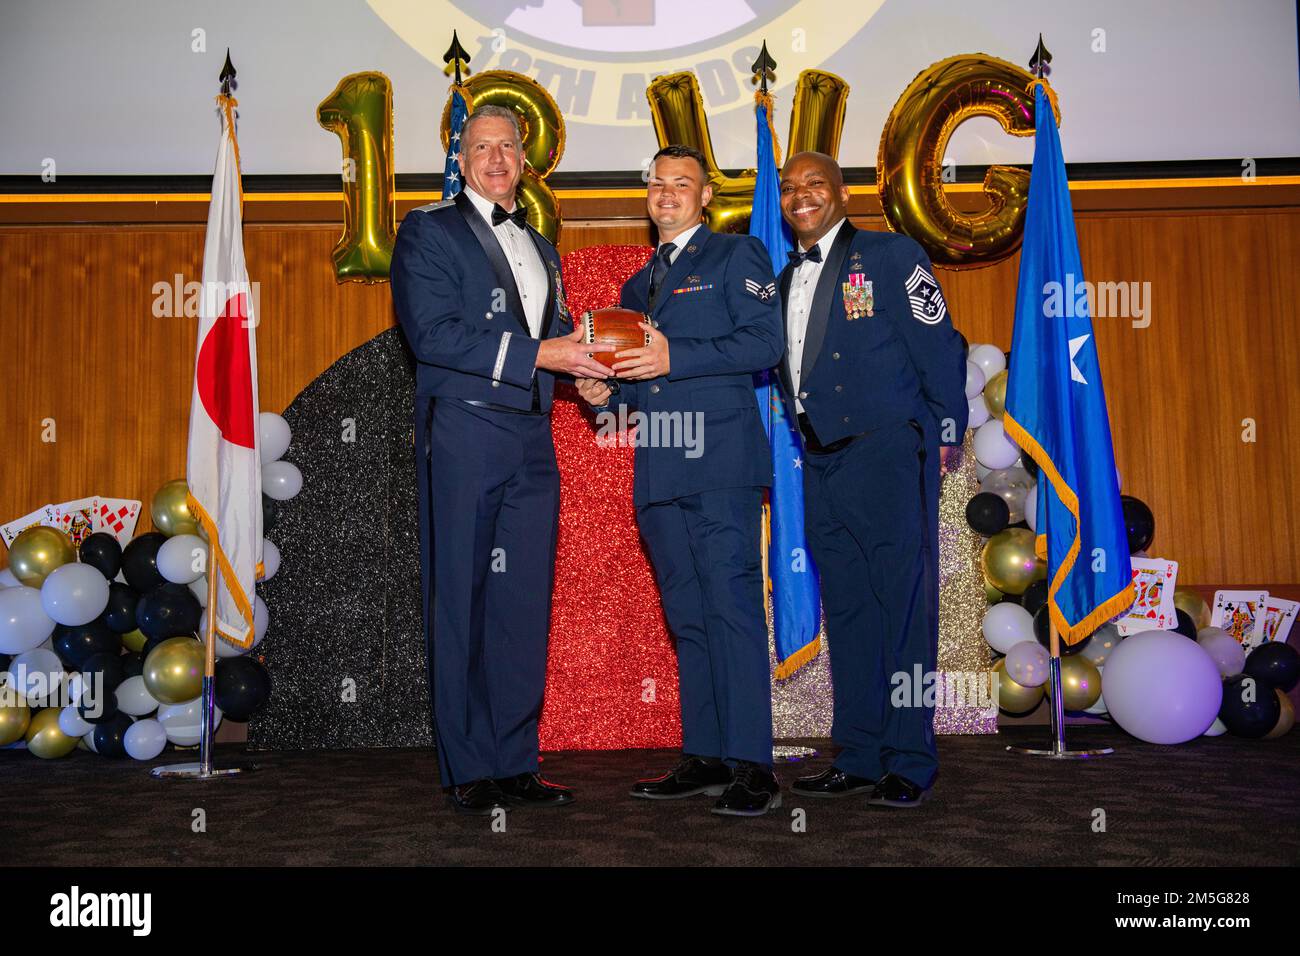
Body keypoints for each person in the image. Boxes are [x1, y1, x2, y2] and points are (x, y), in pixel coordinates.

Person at [391, 105, 613, 815]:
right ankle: (466, 766)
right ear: (460, 158)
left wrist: (587, 378)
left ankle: (515, 761)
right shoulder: (427, 230)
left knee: (521, 604)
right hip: (463, 431)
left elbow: (553, 337)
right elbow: (433, 335)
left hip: (532, 439)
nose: (495, 157)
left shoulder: (543, 246)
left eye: (507, 146)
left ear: (526, 160)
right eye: (480, 146)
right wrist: (541, 355)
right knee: (461, 599)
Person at [575, 145, 785, 816]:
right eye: (658, 183)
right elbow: (637, 391)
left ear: (704, 198)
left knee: (731, 612)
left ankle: (753, 762)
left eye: (681, 184)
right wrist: (600, 396)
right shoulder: (637, 289)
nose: (667, 193)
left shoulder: (736, 256)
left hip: (720, 461)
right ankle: (707, 754)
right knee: (689, 619)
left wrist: (677, 352)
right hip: (659, 467)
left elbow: (765, 343)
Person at [775, 151, 967, 807]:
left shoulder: (892, 256)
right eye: (790, 188)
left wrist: (946, 432)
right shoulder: (781, 279)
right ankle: (857, 753)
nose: (803, 196)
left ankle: (910, 759)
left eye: (815, 184)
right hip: (821, 461)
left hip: (888, 452)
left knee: (902, 611)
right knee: (850, 612)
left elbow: (941, 345)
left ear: (841, 191)